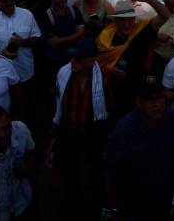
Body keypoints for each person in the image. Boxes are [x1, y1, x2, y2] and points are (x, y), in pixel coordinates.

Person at [104, 74, 174, 221]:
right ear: (138, 102)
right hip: (135, 204)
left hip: (164, 198)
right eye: (151, 100)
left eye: (160, 98)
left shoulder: (172, 120)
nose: (157, 104)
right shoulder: (123, 133)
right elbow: (112, 176)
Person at [50, 38, 112, 220]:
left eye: (79, 60)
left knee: (94, 171)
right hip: (69, 132)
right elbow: (58, 101)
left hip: (92, 134)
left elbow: (109, 107)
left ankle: (94, 207)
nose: (73, 62)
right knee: (70, 171)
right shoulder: (64, 74)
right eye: (74, 58)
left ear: (91, 60)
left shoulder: (103, 78)